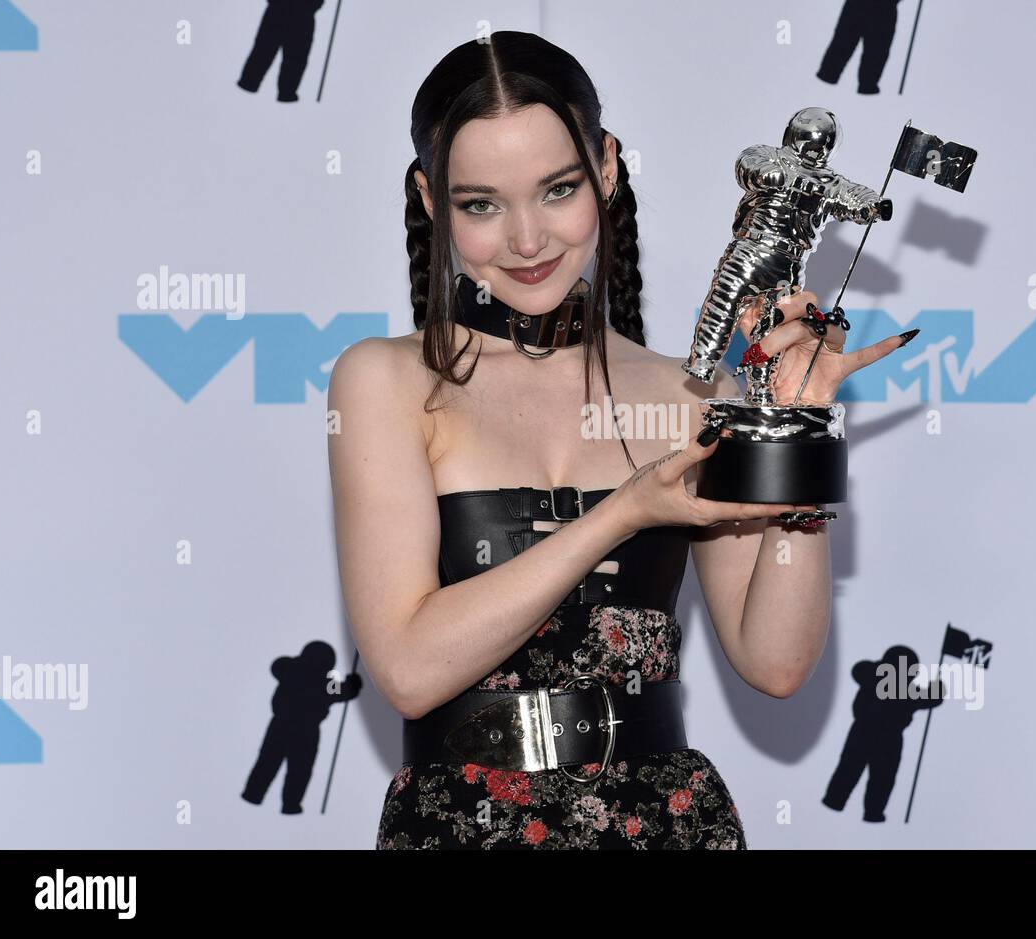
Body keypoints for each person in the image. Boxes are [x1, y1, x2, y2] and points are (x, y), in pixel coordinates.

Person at [327, 30, 910, 850]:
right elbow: (410, 670)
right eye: (481, 203)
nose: (527, 239)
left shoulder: (687, 393)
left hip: (661, 825)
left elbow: (776, 663)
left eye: (557, 189)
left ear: (606, 167)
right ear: (431, 199)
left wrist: (796, 430)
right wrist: (623, 513)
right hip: (460, 827)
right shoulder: (384, 381)